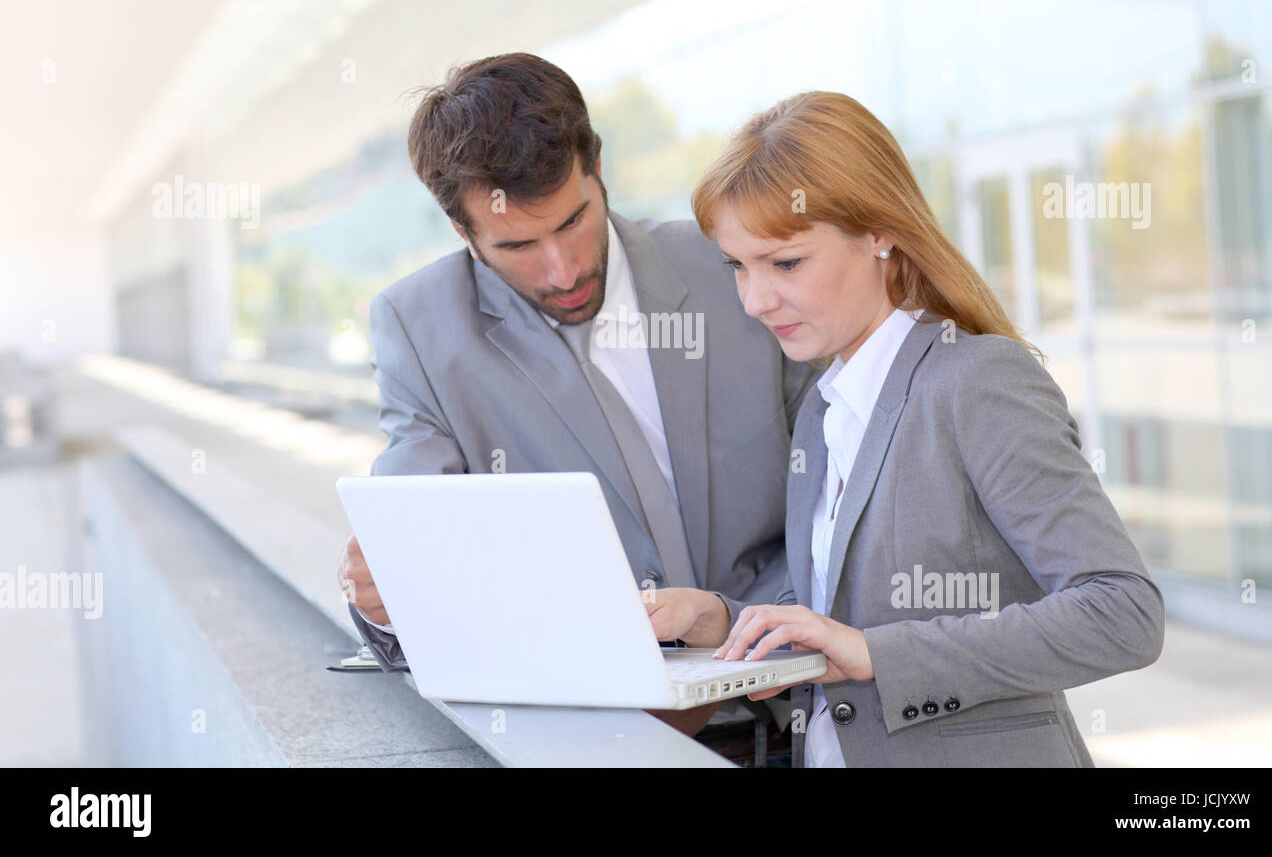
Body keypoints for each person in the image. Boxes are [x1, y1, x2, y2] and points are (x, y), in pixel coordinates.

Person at [645, 90, 1164, 766]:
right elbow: (840, 619)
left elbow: (1123, 614)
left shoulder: (976, 381)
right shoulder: (822, 410)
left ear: (880, 233)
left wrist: (875, 655)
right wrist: (718, 619)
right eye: (739, 267)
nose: (755, 300)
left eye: (786, 262)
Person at [335, 53, 816, 740]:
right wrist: (386, 599)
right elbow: (422, 557)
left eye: (571, 222)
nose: (561, 270)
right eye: (518, 244)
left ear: (597, 169)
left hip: (787, 714)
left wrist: (730, 625)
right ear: (464, 234)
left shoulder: (732, 270)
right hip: (596, 737)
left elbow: (841, 505)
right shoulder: (418, 329)